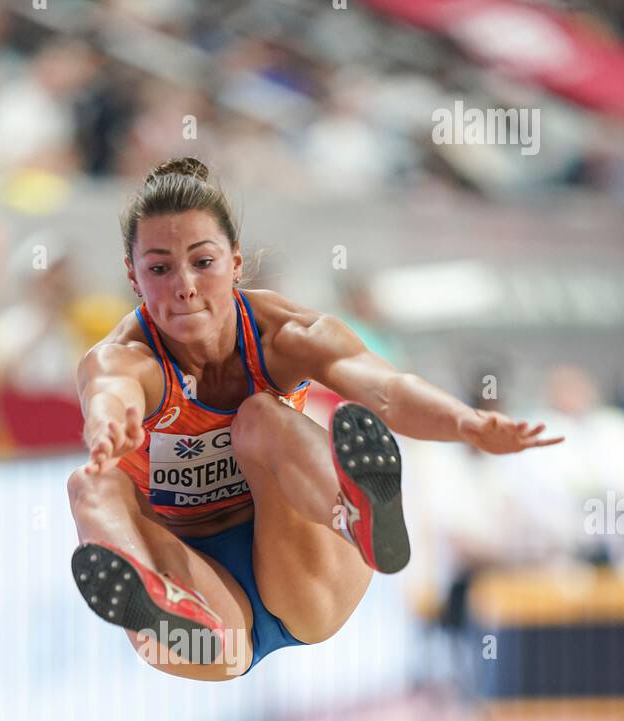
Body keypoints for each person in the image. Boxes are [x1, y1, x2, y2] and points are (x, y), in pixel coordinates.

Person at [68, 158, 562, 680]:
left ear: (235, 262)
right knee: (92, 484)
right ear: (133, 275)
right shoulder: (124, 357)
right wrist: (108, 423)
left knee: (261, 415)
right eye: (160, 268)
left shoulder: (283, 334)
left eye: (203, 262)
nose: (184, 286)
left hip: (305, 570)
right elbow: (109, 391)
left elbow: (387, 389)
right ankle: (158, 603)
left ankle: (353, 514)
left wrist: (467, 424)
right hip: (209, 609)